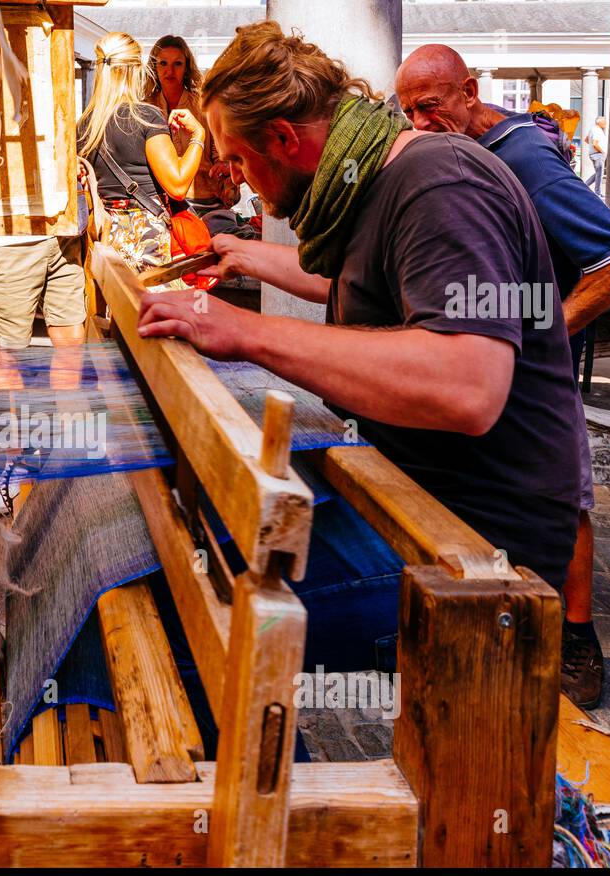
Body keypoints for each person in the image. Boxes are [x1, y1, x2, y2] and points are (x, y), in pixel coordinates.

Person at [138, 22, 583, 603]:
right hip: (402, 483)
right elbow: (355, 282)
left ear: (282, 137)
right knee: (175, 538)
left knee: (178, 592)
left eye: (240, 161)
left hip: (474, 534)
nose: (239, 182)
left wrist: (242, 330)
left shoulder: (441, 183)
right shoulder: (376, 179)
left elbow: (466, 385)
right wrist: (243, 255)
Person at [394, 44, 610, 708]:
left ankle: (577, 643)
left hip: (537, 365)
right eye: (407, 112)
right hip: (504, 356)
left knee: (568, 493)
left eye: (430, 105)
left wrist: (540, 335)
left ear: (468, 91)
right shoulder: (471, 154)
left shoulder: (525, 159)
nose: (419, 123)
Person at [78, 32, 206, 281]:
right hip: (146, 238)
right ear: (136, 69)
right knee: (155, 313)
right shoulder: (145, 116)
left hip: (106, 235)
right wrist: (197, 136)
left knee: (119, 314)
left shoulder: (83, 126)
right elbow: (178, 185)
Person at [144, 35, 237, 220]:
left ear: (186, 68)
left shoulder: (204, 105)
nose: (169, 71)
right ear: (154, 67)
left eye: (177, 64)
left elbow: (221, 155)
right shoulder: (145, 107)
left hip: (205, 202)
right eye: (163, 63)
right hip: (161, 205)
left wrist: (223, 165)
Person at [584, 116, 608, 196]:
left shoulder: (593, 129)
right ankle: (597, 192)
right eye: (604, 121)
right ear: (599, 122)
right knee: (600, 174)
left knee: (598, 174)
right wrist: (602, 152)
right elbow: (595, 143)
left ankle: (584, 186)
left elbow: (586, 140)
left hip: (594, 154)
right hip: (598, 155)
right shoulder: (597, 130)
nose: (605, 123)